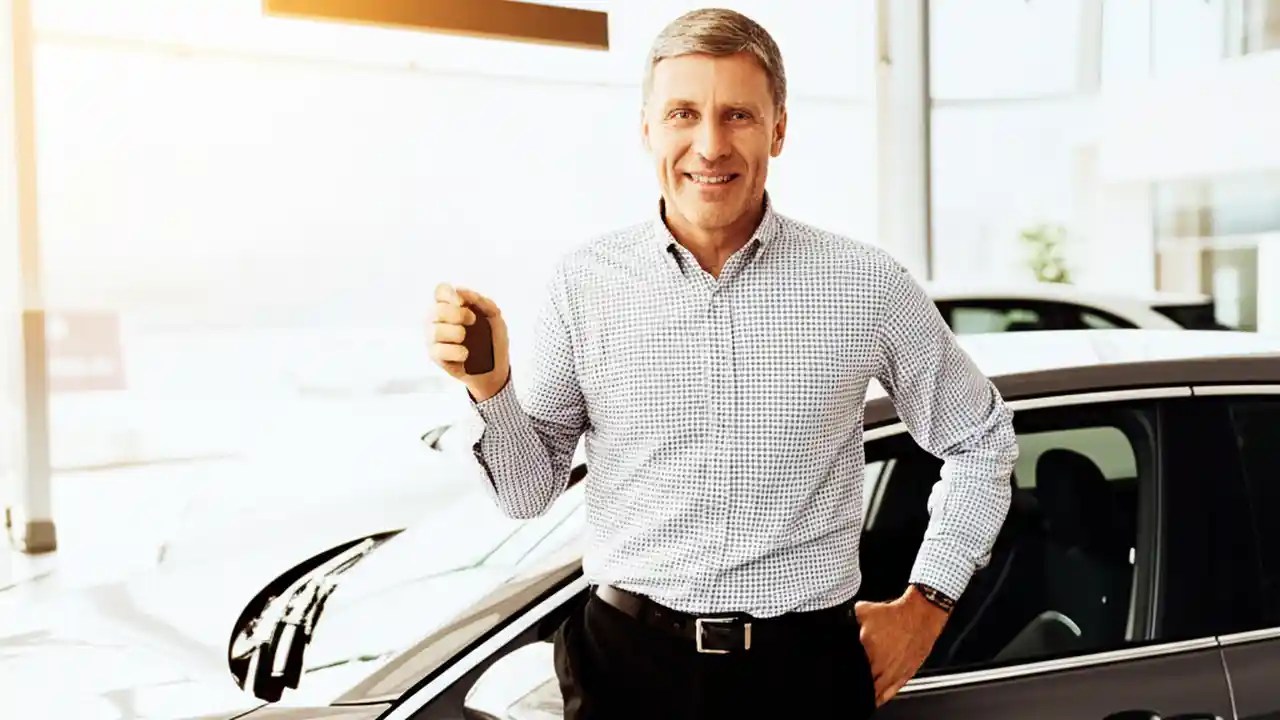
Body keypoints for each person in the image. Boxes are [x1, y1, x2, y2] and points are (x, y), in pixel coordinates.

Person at [428, 8, 1018, 719]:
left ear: (778, 129)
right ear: (647, 128)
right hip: (623, 671)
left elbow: (982, 441)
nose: (710, 145)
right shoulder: (581, 284)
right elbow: (526, 495)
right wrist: (491, 389)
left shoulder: (865, 285)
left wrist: (927, 606)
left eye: (737, 114)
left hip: (803, 679)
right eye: (684, 113)